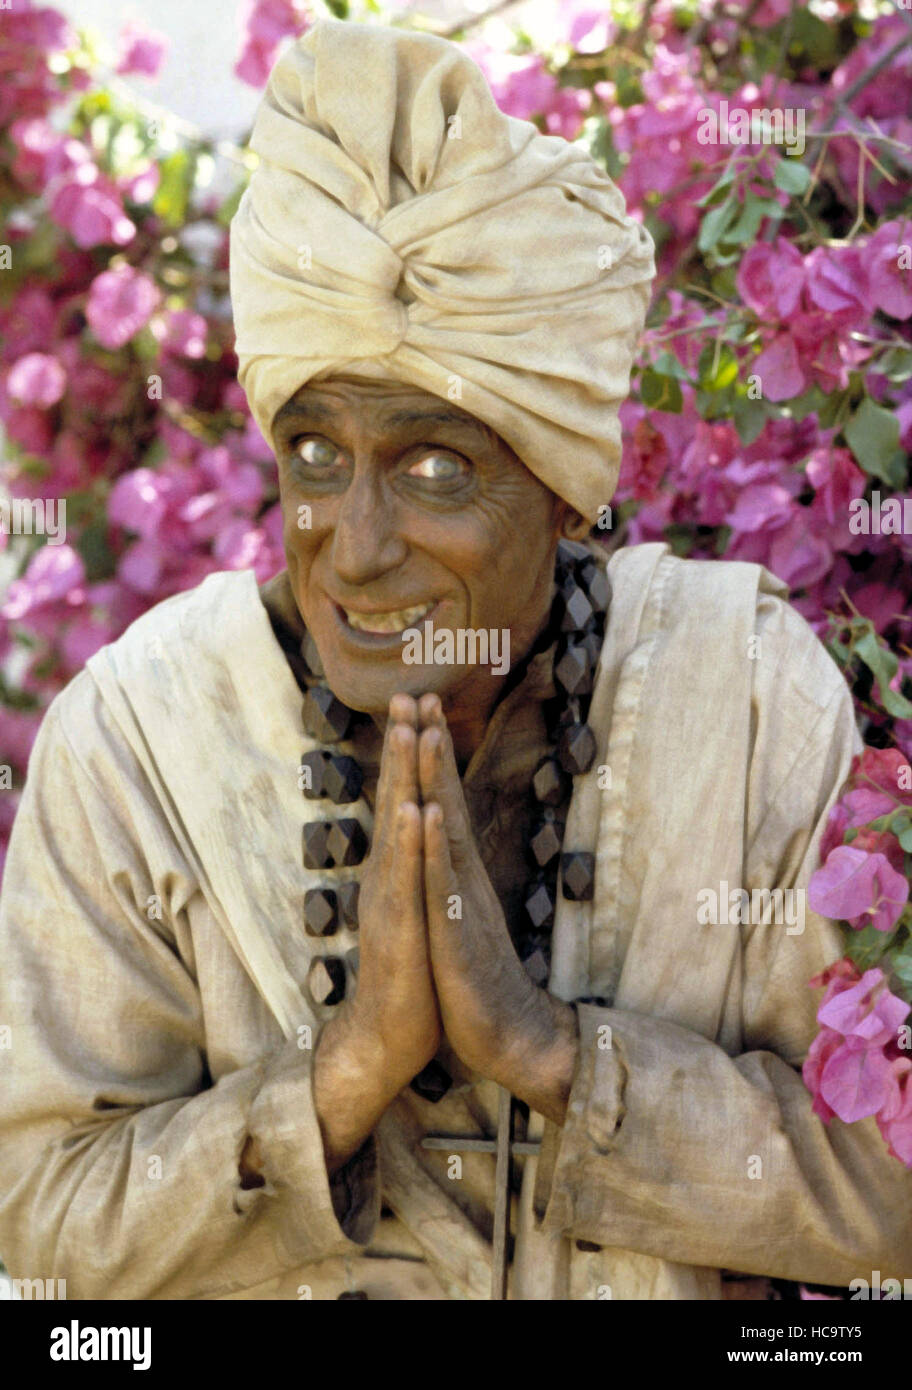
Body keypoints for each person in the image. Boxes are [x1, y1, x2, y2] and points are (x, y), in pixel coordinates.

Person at [0, 18, 909, 1302]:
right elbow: (41, 1223)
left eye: (435, 468)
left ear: (565, 490)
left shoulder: (746, 690)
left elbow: (887, 1193)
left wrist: (551, 1054)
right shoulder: (140, 734)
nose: (355, 550)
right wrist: (345, 1073)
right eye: (315, 457)